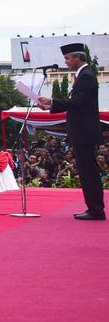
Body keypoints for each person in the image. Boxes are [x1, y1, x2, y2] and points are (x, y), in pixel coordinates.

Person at [39, 42, 103, 220]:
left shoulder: (87, 76)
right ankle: (94, 208)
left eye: (67, 58)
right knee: (86, 172)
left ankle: (96, 209)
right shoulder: (82, 76)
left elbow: (78, 103)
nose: (65, 61)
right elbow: (74, 103)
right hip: (82, 132)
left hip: (84, 132)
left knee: (88, 172)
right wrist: (50, 107)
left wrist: (52, 101)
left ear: (78, 57)